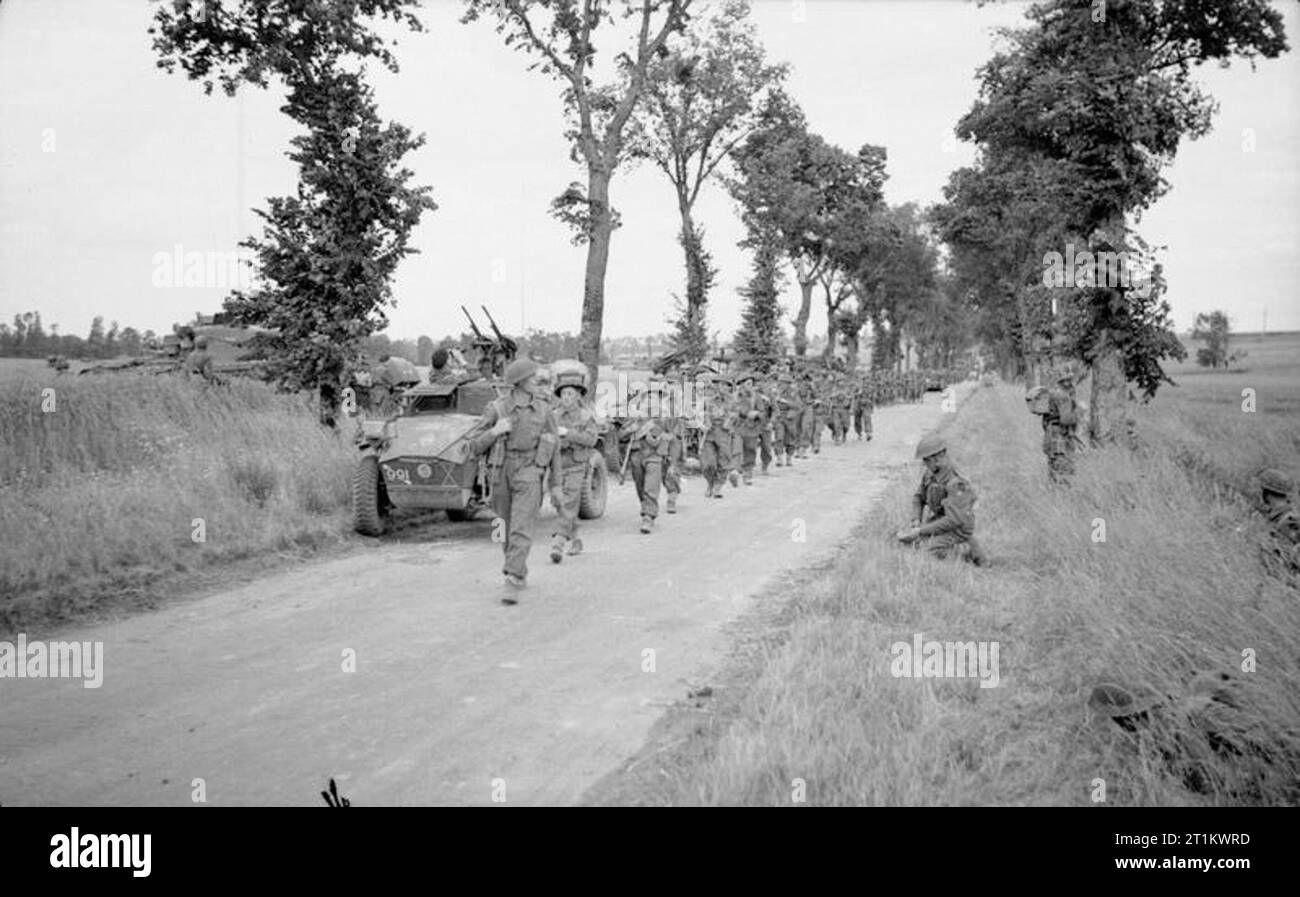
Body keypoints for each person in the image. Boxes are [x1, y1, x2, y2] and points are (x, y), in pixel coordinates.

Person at [470, 358, 562, 599]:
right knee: (502, 527)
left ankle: (512, 576)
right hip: (500, 471)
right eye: (533, 378)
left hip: (530, 470)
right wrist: (494, 431)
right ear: (519, 383)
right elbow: (472, 446)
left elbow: (554, 448)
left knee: (522, 526)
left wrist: (556, 485)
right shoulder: (497, 409)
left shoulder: (544, 410)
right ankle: (517, 568)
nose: (538, 382)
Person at [896, 434, 986, 566]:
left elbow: (953, 520)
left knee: (925, 552)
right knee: (907, 542)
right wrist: (916, 520)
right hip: (939, 521)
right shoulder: (930, 474)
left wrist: (921, 531)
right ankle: (956, 546)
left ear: (938, 458)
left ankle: (965, 548)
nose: (924, 464)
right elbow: (918, 497)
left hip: (958, 529)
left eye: (926, 460)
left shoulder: (956, 482)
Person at [548, 370, 599, 563]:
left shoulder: (586, 416)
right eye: (563, 394)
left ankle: (558, 543)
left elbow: (591, 439)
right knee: (561, 505)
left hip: (577, 465)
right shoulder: (553, 416)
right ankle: (576, 540)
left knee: (568, 502)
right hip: (557, 466)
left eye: (570, 394)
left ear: (578, 395)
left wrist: (568, 433)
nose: (566, 398)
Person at [626, 384, 673, 533]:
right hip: (637, 456)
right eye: (649, 398)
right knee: (640, 486)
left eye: (655, 399)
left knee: (651, 486)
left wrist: (660, 440)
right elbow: (621, 435)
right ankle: (646, 507)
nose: (651, 402)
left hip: (655, 456)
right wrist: (630, 430)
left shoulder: (664, 419)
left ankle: (648, 516)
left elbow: (672, 436)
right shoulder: (635, 418)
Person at [1039, 367, 1081, 484]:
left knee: (1053, 467)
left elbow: (1044, 421)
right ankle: (1063, 495)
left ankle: (1054, 495)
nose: (1070, 383)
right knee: (1064, 469)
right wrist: (1079, 414)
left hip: (1050, 433)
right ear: (1062, 381)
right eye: (1067, 380)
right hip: (1061, 435)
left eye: (1070, 380)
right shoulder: (1063, 396)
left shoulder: (1051, 394)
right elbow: (1066, 419)